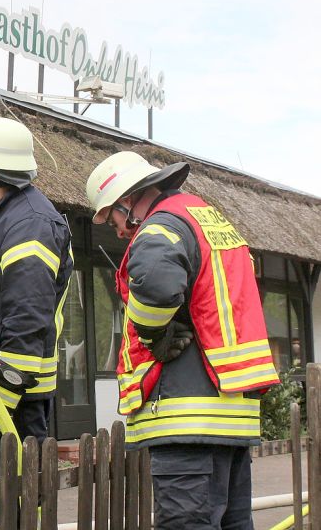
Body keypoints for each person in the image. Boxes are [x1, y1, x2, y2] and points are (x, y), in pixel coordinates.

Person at [86, 151, 280, 530]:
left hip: (188, 418)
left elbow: (157, 284)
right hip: (230, 417)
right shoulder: (206, 217)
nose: (121, 232)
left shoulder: (161, 226)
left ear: (127, 201)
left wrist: (153, 333)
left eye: (114, 219)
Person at [0, 117, 74, 446]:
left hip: (11, 398)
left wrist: (2, 401)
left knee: (8, 494)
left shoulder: (30, 224)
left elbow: (28, 315)